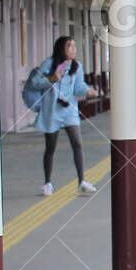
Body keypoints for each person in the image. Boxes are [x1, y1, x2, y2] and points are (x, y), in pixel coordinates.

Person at [32, 35, 96, 196]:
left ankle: (82, 180)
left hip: (69, 111)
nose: (73, 49)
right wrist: (52, 78)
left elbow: (78, 87)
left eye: (74, 46)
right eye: (69, 46)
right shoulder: (49, 64)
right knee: (50, 147)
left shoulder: (77, 66)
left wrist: (88, 91)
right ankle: (47, 183)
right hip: (52, 111)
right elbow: (35, 82)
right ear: (61, 48)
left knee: (77, 143)